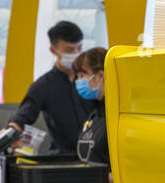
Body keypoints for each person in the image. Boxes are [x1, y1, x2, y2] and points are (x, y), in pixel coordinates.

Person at [7, 20, 87, 155]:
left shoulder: (91, 81)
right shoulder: (43, 86)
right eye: (69, 50)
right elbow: (21, 119)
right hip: (63, 161)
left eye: (79, 48)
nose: (75, 53)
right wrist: (8, 136)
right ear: (53, 50)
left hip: (97, 161)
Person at [74, 47, 108, 166]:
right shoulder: (94, 115)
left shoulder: (115, 116)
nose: (78, 81)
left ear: (100, 76)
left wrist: (106, 177)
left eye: (82, 75)